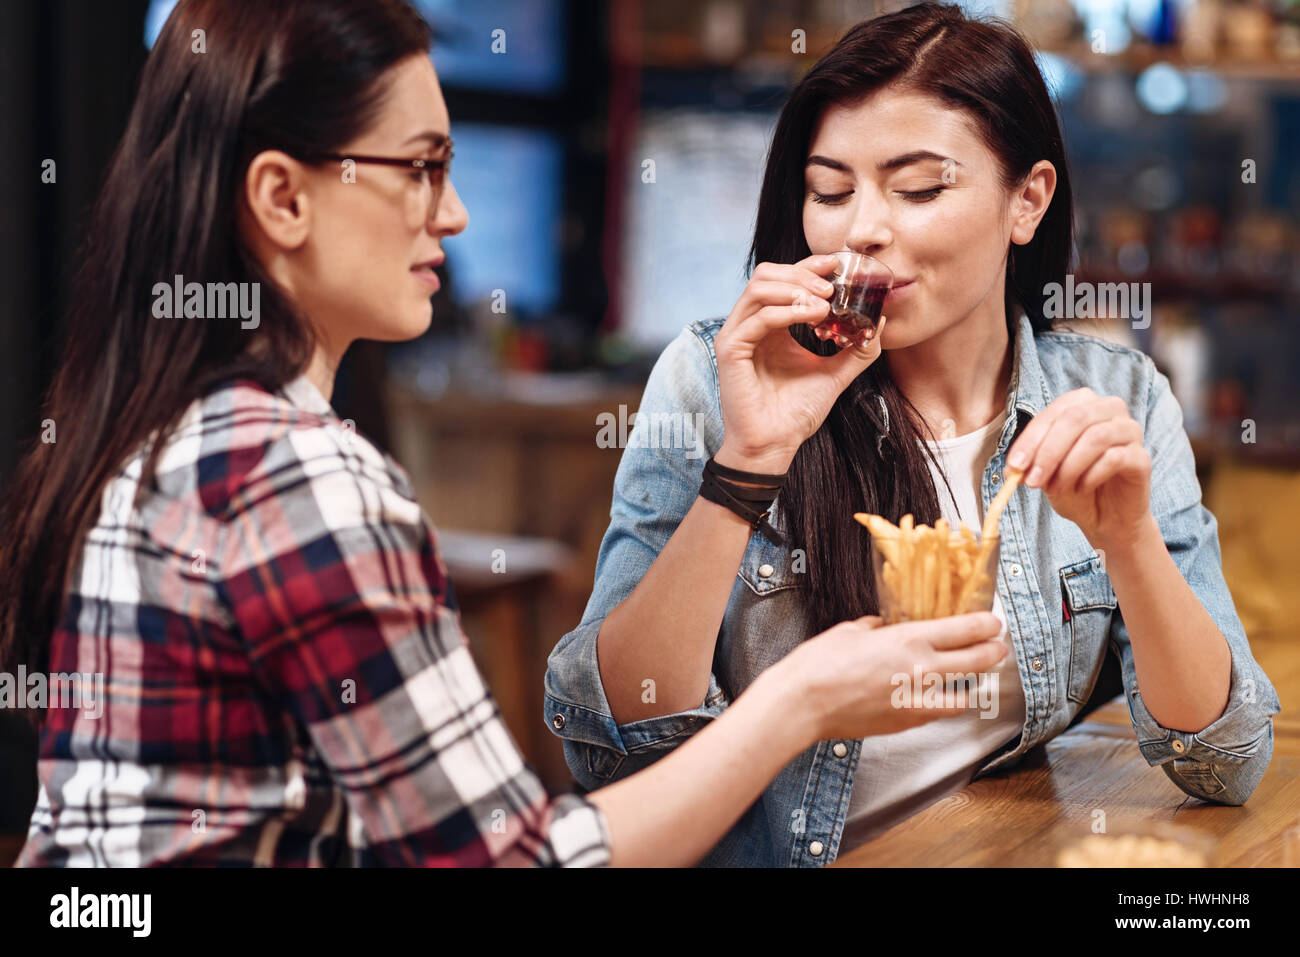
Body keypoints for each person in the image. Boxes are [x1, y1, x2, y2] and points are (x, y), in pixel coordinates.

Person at [0, 0, 1006, 868]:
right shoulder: (298, 478)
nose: (458, 214)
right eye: (423, 168)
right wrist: (802, 703)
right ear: (283, 197)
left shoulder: (162, 436)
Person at [544, 1, 1281, 867]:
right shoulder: (716, 379)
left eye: (919, 187)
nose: (862, 229)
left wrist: (1128, 540)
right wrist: (750, 462)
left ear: (1027, 200)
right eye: (829, 190)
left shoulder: (1113, 396)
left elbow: (1226, 760)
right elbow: (611, 747)